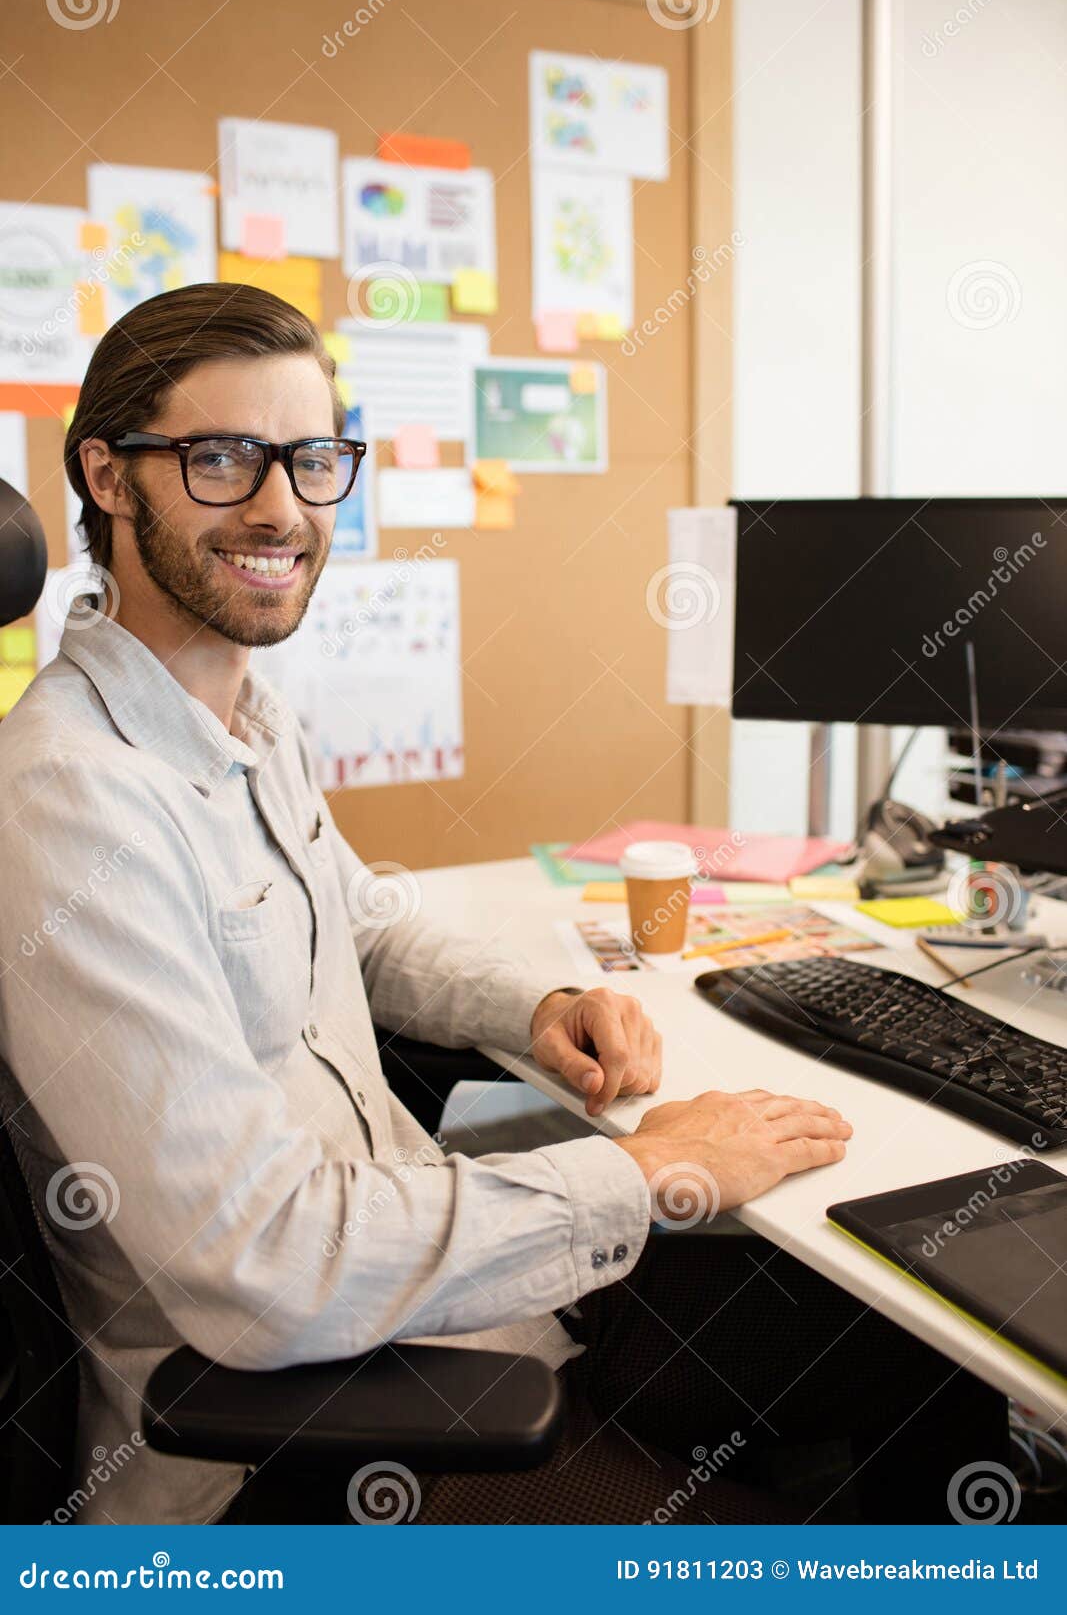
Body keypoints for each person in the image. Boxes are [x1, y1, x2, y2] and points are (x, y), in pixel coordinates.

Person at [0, 285, 1006, 1526]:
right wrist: (640, 1172)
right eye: (220, 459)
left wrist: (539, 1003)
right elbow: (260, 1265)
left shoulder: (242, 717)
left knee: (921, 1357)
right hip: (298, 1443)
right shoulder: (70, 800)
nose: (282, 507)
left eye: (312, 461)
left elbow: (357, 922)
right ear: (107, 474)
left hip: (456, 1301)